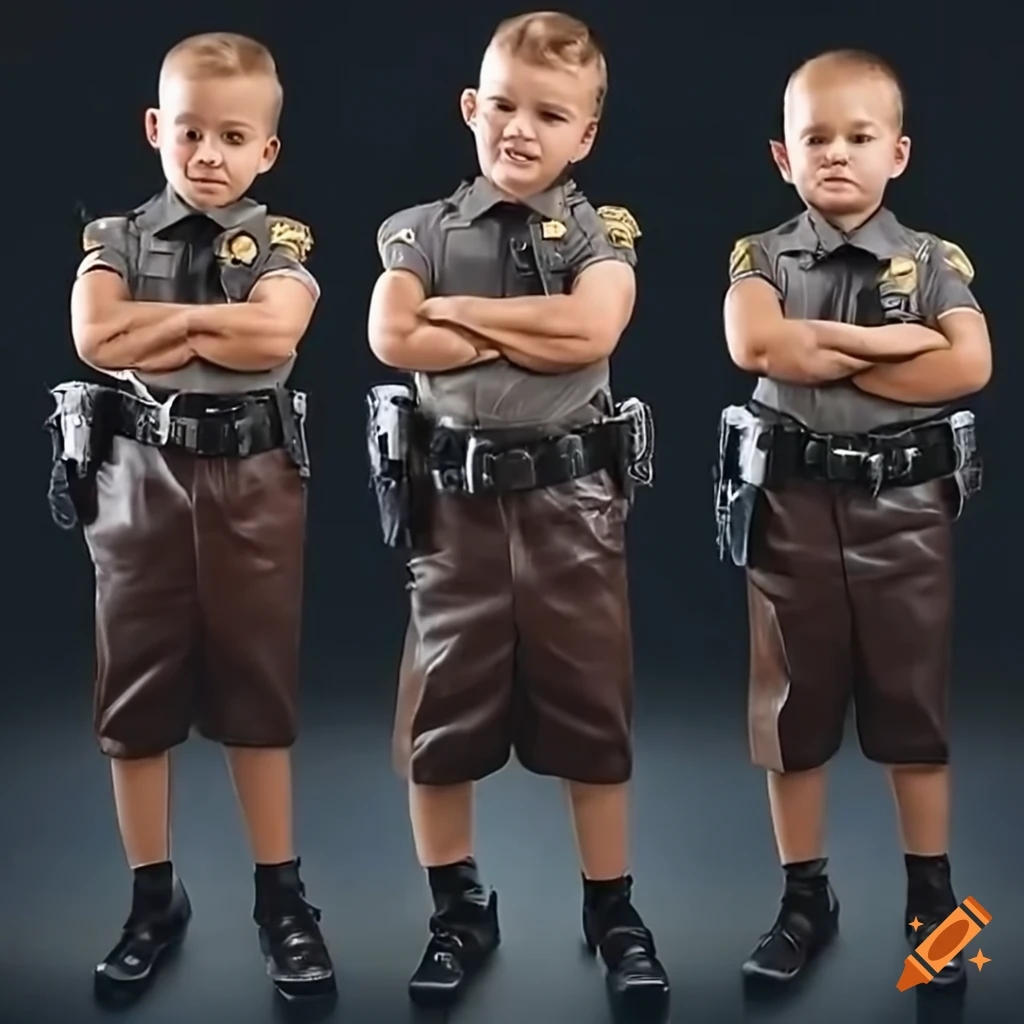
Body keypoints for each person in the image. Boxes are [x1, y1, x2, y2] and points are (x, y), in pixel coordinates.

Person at [365, 11, 668, 1019]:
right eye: (501, 104)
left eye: (549, 113)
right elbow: (391, 335)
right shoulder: (418, 230)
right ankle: (457, 909)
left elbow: (592, 324)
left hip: (570, 500)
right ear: (470, 107)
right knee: (438, 718)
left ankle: (611, 909)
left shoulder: (598, 229)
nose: (519, 129)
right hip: (451, 507)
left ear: (584, 135)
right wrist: (511, 334)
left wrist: (461, 316)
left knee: (591, 708)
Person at [48, 32, 334, 1005]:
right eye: (190, 132)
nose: (208, 153)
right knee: (135, 699)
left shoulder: (281, 241)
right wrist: (212, 327)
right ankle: (150, 897)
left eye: (232, 136)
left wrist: (157, 330)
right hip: (136, 475)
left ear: (267, 153)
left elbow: (274, 333)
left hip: (250, 475)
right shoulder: (116, 239)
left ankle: (279, 899)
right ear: (154, 130)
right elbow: (93, 337)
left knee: (255, 690)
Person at [717, 49, 991, 987]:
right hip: (791, 506)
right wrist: (890, 346)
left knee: (913, 713)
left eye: (859, 137)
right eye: (815, 138)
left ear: (899, 153)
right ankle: (803, 898)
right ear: (782, 157)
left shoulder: (931, 261)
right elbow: (756, 342)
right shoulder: (762, 257)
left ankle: (934, 903)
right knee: (791, 714)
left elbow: (966, 366)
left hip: (904, 512)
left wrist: (819, 347)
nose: (837, 154)